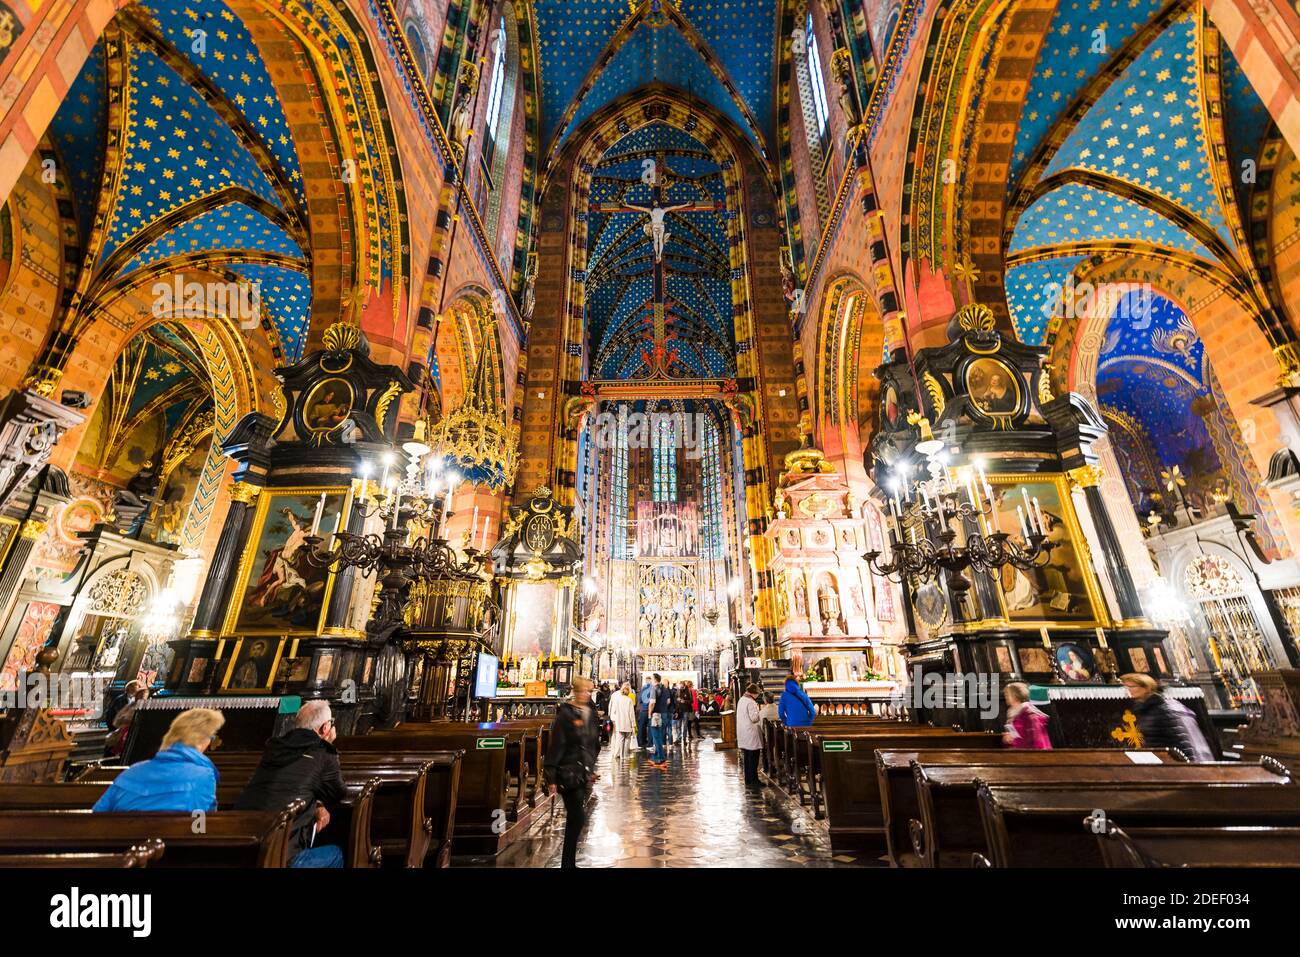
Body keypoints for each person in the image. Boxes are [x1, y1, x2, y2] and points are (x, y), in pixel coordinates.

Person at [235, 699, 346, 867]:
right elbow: (338, 793)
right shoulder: (323, 753)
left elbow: (289, 784)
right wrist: (328, 745)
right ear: (325, 728)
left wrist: (316, 804)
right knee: (336, 854)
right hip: (283, 856)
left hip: (246, 848)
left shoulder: (274, 748)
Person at [93, 708, 224, 813]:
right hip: (178, 844)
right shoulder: (204, 775)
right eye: (211, 738)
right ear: (201, 741)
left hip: (125, 844)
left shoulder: (131, 772)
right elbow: (200, 826)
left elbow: (98, 814)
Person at [545, 676, 601, 868]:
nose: (587, 694)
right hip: (567, 771)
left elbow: (592, 744)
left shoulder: (590, 713)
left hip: (581, 772)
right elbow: (556, 745)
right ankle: (567, 863)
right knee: (577, 817)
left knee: (575, 818)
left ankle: (568, 863)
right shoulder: (565, 715)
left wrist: (590, 769)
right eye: (584, 691)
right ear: (576, 692)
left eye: (590, 691)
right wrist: (551, 775)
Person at [1121, 673, 1214, 761]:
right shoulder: (1142, 708)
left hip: (1171, 762)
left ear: (1146, 688)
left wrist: (1188, 765)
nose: (1129, 690)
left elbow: (1181, 741)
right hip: (1159, 760)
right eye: (1127, 687)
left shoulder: (1161, 709)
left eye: (1132, 687)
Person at [103, 679, 150, 758]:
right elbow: (115, 716)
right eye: (137, 685)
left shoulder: (144, 706)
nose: (139, 687)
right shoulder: (123, 700)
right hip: (120, 731)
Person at [1002, 682, 1052, 750]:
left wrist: (1014, 739)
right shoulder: (1011, 711)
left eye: (1008, 694)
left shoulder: (1028, 712)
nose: (1006, 697)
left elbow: (1035, 736)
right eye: (1005, 695)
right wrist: (1009, 737)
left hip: (1032, 752)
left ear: (1015, 695)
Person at [736, 683, 763, 787]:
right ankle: (754, 780)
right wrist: (760, 712)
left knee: (747, 758)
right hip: (751, 733)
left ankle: (748, 779)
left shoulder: (741, 699)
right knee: (753, 758)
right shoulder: (751, 702)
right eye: (757, 694)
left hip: (744, 732)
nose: (757, 696)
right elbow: (754, 718)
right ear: (754, 693)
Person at [609, 680, 637, 761]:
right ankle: (625, 756)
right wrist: (633, 725)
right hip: (627, 724)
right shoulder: (629, 701)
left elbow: (613, 711)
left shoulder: (617, 700)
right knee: (627, 740)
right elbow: (631, 714)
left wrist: (614, 720)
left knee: (620, 740)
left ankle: (620, 755)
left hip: (619, 724)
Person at [647, 673, 669, 768]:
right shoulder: (664, 688)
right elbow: (667, 701)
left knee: (656, 737)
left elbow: (652, 703)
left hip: (655, 714)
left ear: (655, 679)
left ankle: (660, 759)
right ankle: (655, 757)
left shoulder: (654, 688)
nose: (651, 680)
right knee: (659, 735)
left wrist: (649, 713)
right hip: (662, 713)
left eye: (651, 679)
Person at [637, 677, 654, 750]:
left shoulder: (643, 689)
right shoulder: (653, 688)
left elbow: (640, 699)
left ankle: (641, 742)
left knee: (642, 727)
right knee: (650, 727)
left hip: (643, 710)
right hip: (651, 710)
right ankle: (650, 743)